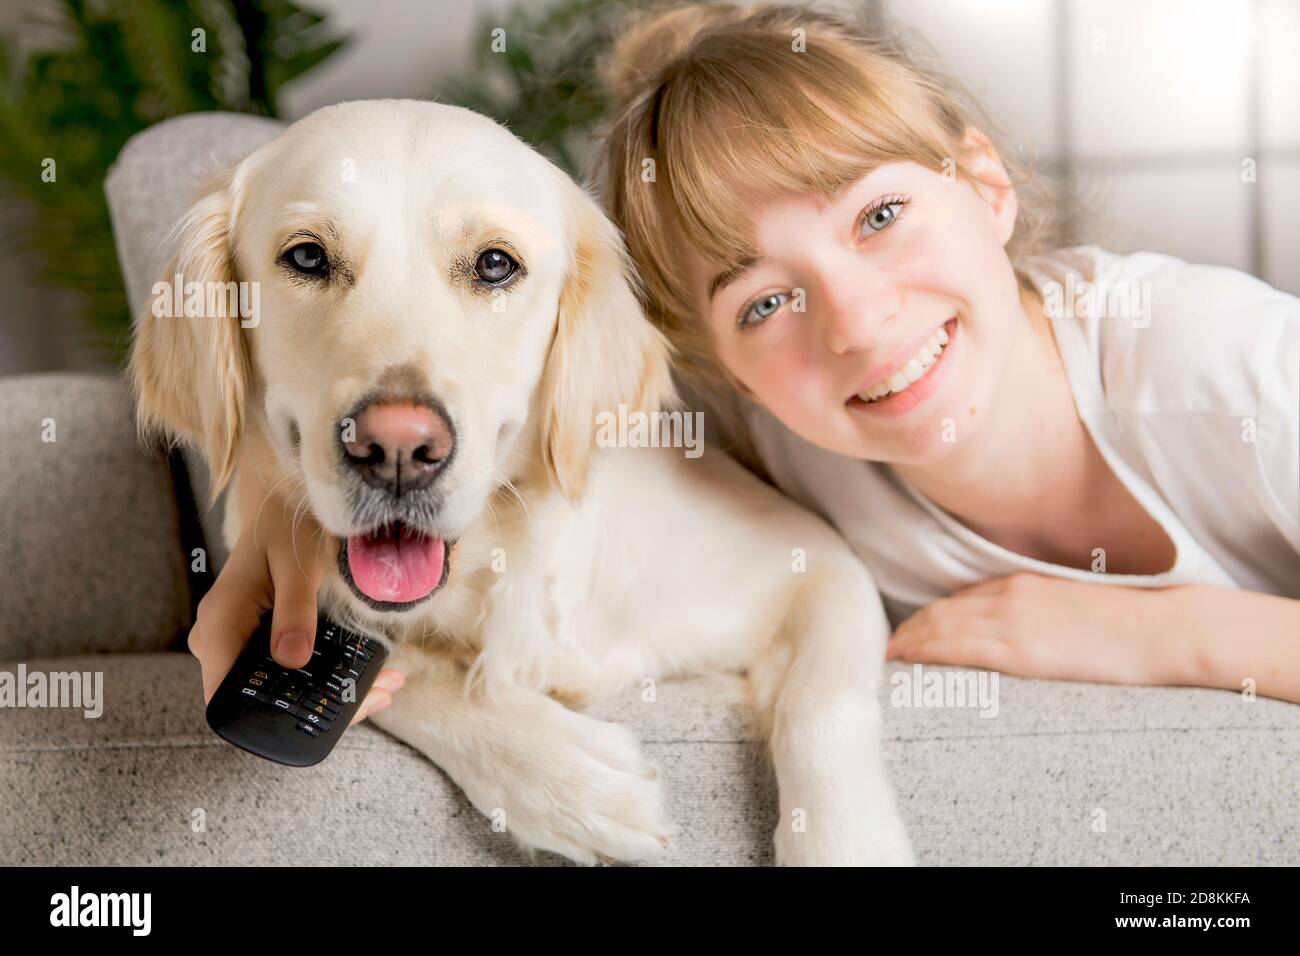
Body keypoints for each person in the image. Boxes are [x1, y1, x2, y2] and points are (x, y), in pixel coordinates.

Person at [188, 0, 1299, 709]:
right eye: (763, 300)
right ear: (708, 358)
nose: (855, 322)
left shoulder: (1225, 366)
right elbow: (225, 205)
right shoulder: (763, 434)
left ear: (988, 186)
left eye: (878, 216)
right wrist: (278, 506)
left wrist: (1164, 631)